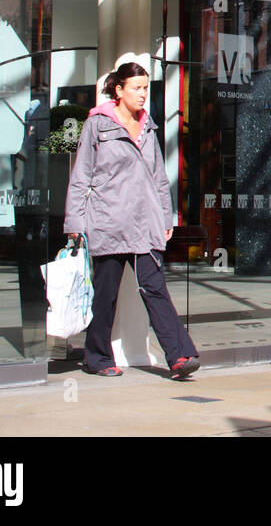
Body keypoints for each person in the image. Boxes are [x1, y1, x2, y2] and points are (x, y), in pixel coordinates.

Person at [64, 62, 200, 380]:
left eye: (145, 88)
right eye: (136, 88)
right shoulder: (97, 125)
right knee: (105, 295)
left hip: (144, 225)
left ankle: (180, 356)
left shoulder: (148, 127)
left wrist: (165, 216)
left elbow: (158, 177)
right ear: (119, 89)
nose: (142, 94)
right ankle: (97, 358)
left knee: (155, 289)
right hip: (107, 223)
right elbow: (81, 177)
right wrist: (75, 223)